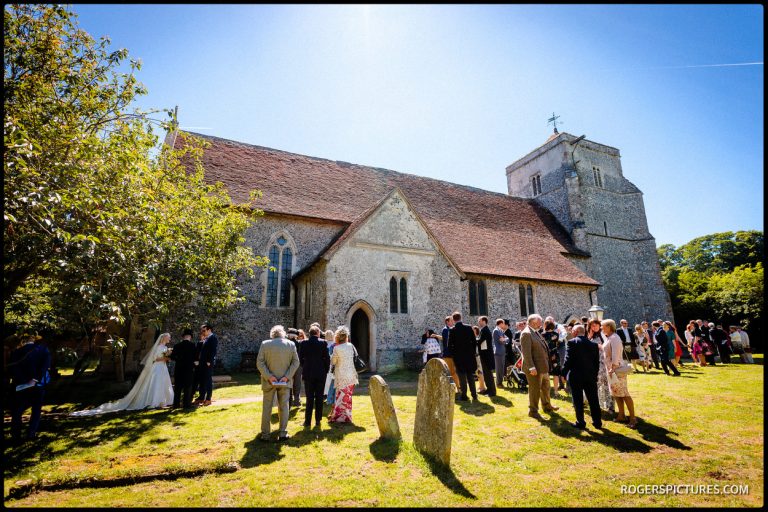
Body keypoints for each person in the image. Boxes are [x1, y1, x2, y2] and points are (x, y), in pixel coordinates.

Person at [71, 333, 174, 416]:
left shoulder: (165, 348)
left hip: (162, 367)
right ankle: (154, 401)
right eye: (168, 337)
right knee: (155, 383)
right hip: (157, 367)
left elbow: (164, 358)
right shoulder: (159, 347)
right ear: (164, 338)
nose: (169, 339)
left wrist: (167, 358)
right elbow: (155, 358)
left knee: (163, 383)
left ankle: (163, 400)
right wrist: (166, 358)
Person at [256, 325, 300, 441]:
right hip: (285, 381)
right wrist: (287, 377)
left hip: (268, 381)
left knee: (267, 407)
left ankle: (265, 435)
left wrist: (269, 377)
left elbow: (259, 363)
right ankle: (282, 433)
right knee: (284, 407)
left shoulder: (265, 344)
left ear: (272, 334)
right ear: (283, 334)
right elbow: (296, 363)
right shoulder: (291, 344)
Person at [9, 334, 51, 441]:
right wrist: (35, 379)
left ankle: (16, 434)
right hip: (38, 385)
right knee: (36, 410)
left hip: (21, 386)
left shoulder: (16, 352)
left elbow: (14, 369)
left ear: (23, 341)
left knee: (17, 411)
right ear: (34, 340)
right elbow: (45, 366)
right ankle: (31, 433)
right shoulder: (43, 350)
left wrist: (24, 381)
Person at [562, 324, 602, 430]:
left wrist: (563, 373)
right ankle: (597, 422)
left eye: (572, 331)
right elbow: (596, 363)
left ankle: (581, 422)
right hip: (590, 375)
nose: (571, 333)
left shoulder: (572, 343)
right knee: (593, 399)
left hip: (576, 376)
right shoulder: (594, 345)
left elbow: (568, 360)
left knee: (578, 399)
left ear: (575, 332)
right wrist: (595, 375)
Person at [520, 314, 558, 418]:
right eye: (540, 322)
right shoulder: (526, 333)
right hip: (534, 368)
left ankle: (547, 406)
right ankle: (533, 411)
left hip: (542, 367)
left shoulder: (535, 331)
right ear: (534, 322)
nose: (542, 324)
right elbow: (526, 353)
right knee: (535, 389)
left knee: (546, 387)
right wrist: (531, 367)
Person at [601, 319, 637, 428]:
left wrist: (613, 368)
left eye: (603, 326)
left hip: (616, 369)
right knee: (616, 393)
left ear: (608, 326)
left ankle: (633, 419)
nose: (602, 328)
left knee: (624, 394)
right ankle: (621, 415)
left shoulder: (615, 338)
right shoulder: (609, 337)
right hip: (611, 369)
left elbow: (616, 354)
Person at [300, 326, 331, 428]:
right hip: (320, 373)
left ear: (309, 333)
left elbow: (300, 358)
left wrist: (305, 366)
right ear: (317, 333)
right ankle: (318, 420)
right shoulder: (323, 343)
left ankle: (307, 421)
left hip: (308, 373)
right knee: (319, 397)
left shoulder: (304, 343)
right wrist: (325, 370)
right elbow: (327, 359)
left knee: (309, 398)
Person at [328, 326, 359, 423]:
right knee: (348, 397)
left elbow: (333, 362)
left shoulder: (336, 348)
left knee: (340, 397)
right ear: (346, 336)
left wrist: (332, 357)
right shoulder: (350, 346)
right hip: (351, 375)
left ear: (337, 337)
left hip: (341, 375)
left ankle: (339, 417)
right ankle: (347, 417)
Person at [449, 312, 479, 402]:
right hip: (469, 356)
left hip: (458, 357)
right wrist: (472, 352)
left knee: (462, 377)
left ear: (453, 320)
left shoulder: (453, 330)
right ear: (461, 318)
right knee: (470, 376)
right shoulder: (468, 327)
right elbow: (474, 342)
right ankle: (474, 395)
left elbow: (449, 345)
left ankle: (464, 396)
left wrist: (453, 355)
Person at [588, 318, 615, 415]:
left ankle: (611, 406)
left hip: (605, 363)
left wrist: (601, 347)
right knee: (598, 385)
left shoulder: (605, 335)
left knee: (608, 385)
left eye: (596, 325)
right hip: (595, 364)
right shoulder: (590, 336)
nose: (594, 327)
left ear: (599, 325)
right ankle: (599, 404)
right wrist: (589, 337)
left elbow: (610, 347)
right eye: (592, 325)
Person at [170, 328, 197, 409]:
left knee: (178, 387)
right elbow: (195, 357)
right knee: (187, 387)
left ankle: (176, 405)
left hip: (179, 369)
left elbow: (172, 357)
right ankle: (186, 404)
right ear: (190, 337)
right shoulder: (192, 346)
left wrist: (179, 359)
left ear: (183, 337)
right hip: (188, 369)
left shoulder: (177, 346)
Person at [194, 323, 218, 406]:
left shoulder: (213, 338)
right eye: (202, 331)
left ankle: (208, 398)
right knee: (202, 380)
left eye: (204, 330)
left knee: (208, 381)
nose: (202, 332)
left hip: (207, 363)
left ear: (209, 330)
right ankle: (201, 397)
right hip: (202, 363)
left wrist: (209, 361)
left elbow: (213, 351)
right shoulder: (206, 338)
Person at [440, 315, 461, 391]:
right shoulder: (445, 330)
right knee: (451, 372)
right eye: (451, 321)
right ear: (447, 322)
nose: (453, 322)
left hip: (453, 354)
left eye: (453, 320)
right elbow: (448, 342)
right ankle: (458, 387)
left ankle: (458, 387)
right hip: (448, 354)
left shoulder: (451, 329)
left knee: (453, 372)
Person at [477, 316, 497, 397]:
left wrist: (473, 340)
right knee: (486, 373)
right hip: (485, 355)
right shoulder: (484, 330)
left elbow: (480, 341)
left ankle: (492, 391)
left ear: (483, 321)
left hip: (486, 356)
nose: (478, 322)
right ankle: (489, 389)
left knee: (488, 374)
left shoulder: (485, 330)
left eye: (479, 321)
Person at [542, 319, 562, 396]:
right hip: (554, 354)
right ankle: (556, 391)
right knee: (556, 374)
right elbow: (556, 343)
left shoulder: (542, 334)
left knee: (546, 373)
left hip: (545, 355)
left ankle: (547, 391)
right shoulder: (556, 334)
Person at [286, 328, 303, 407]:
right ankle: (296, 401)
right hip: (298, 365)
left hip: (288, 365)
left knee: (288, 382)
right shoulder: (300, 343)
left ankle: (288, 400)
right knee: (297, 383)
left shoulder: (286, 343)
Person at [492, 319, 509, 389]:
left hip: (502, 351)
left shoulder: (501, 330)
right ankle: (498, 383)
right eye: (503, 323)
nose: (504, 325)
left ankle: (500, 382)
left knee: (501, 368)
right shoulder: (496, 331)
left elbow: (507, 339)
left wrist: (504, 339)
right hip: (498, 352)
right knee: (499, 368)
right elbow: (501, 341)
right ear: (501, 323)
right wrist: (504, 340)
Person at [472, 325, 487, 394]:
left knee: (479, 372)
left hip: (477, 356)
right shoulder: (475, 338)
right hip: (476, 357)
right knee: (478, 372)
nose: (472, 332)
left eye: (473, 331)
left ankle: (482, 387)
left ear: (476, 332)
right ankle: (481, 386)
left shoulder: (477, 339)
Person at [324, 329, 336, 405]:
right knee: (332, 382)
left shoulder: (324, 344)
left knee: (327, 382)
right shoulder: (335, 344)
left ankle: (328, 398)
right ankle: (331, 398)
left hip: (326, 365)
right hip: (333, 365)